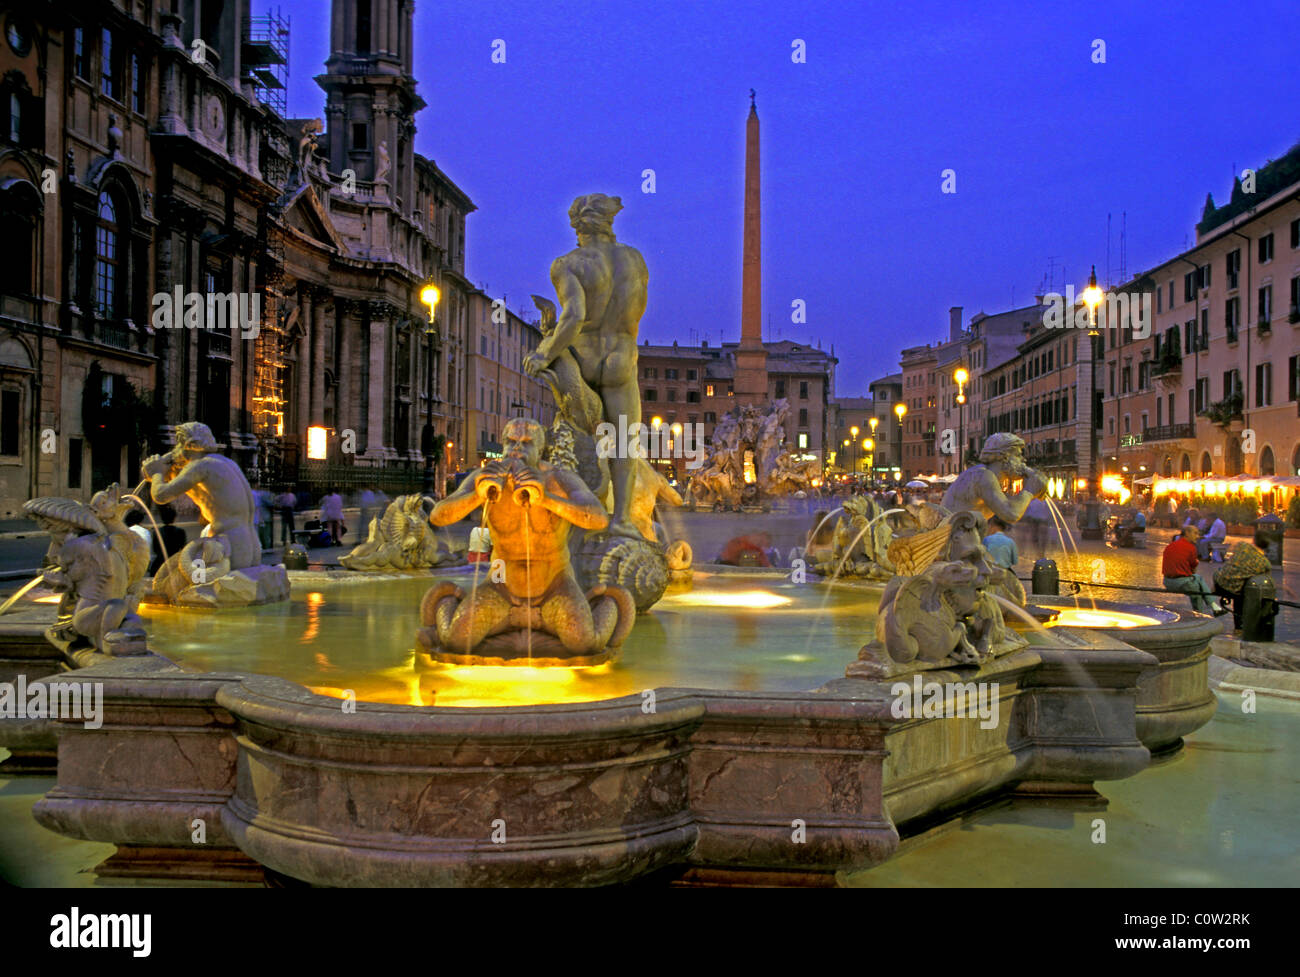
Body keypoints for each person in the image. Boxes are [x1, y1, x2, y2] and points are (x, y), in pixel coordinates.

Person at [1161, 526, 1227, 616]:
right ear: (1187, 533)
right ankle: (1201, 614)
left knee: (1198, 579)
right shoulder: (1190, 547)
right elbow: (1193, 569)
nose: (1198, 536)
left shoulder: (1171, 545)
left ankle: (1214, 607)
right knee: (1197, 591)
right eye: (1195, 533)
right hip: (1180, 583)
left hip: (1167, 581)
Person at [1212, 534, 1273, 630]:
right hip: (1234, 590)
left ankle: (1239, 625)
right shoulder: (1265, 563)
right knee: (1243, 589)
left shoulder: (1242, 546)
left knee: (1240, 586)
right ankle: (1240, 625)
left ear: (1254, 540)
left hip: (1219, 581)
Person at [149, 504, 189, 575]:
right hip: (174, 564)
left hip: (159, 564)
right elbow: (183, 549)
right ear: (174, 518)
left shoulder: (157, 532)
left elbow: (155, 549)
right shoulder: (180, 532)